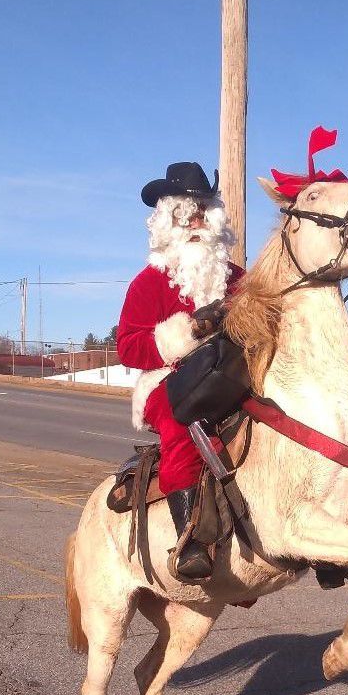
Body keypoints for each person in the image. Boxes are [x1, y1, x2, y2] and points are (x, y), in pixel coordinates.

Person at [117, 162, 244, 581]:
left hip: (232, 377)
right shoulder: (148, 283)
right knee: (181, 423)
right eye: (185, 214)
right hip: (167, 381)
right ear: (167, 222)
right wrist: (188, 331)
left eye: (203, 212)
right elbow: (128, 347)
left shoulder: (237, 281)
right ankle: (192, 537)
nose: (195, 222)